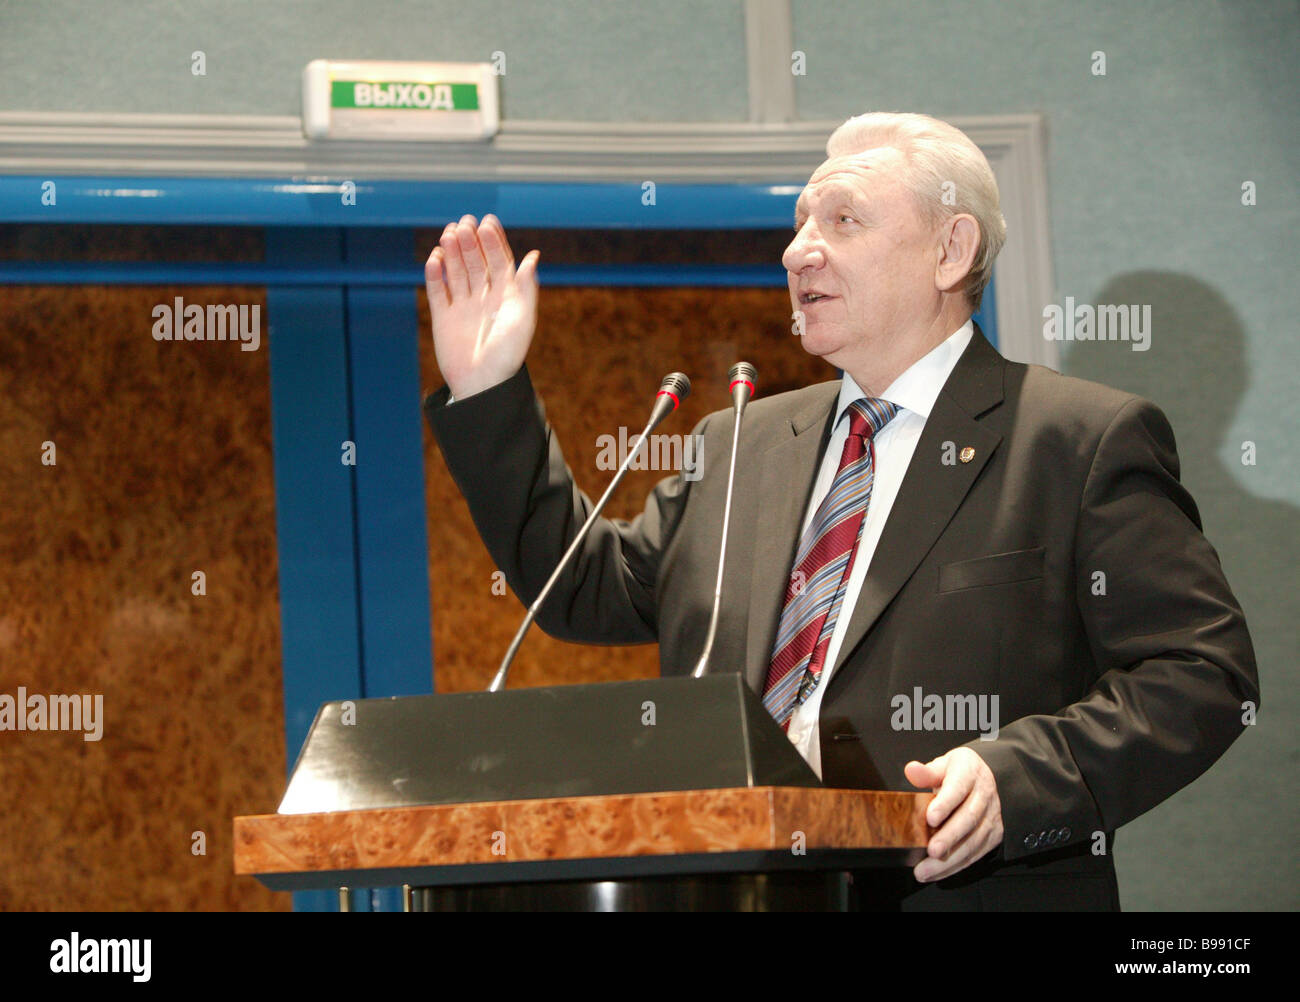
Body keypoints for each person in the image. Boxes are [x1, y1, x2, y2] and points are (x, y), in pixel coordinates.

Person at [421, 112, 1258, 911]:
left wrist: (1022, 777)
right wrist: (486, 389)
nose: (797, 251)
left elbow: (1201, 672)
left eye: (843, 220)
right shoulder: (741, 442)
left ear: (949, 249)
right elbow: (583, 587)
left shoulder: (1076, 441)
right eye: (798, 224)